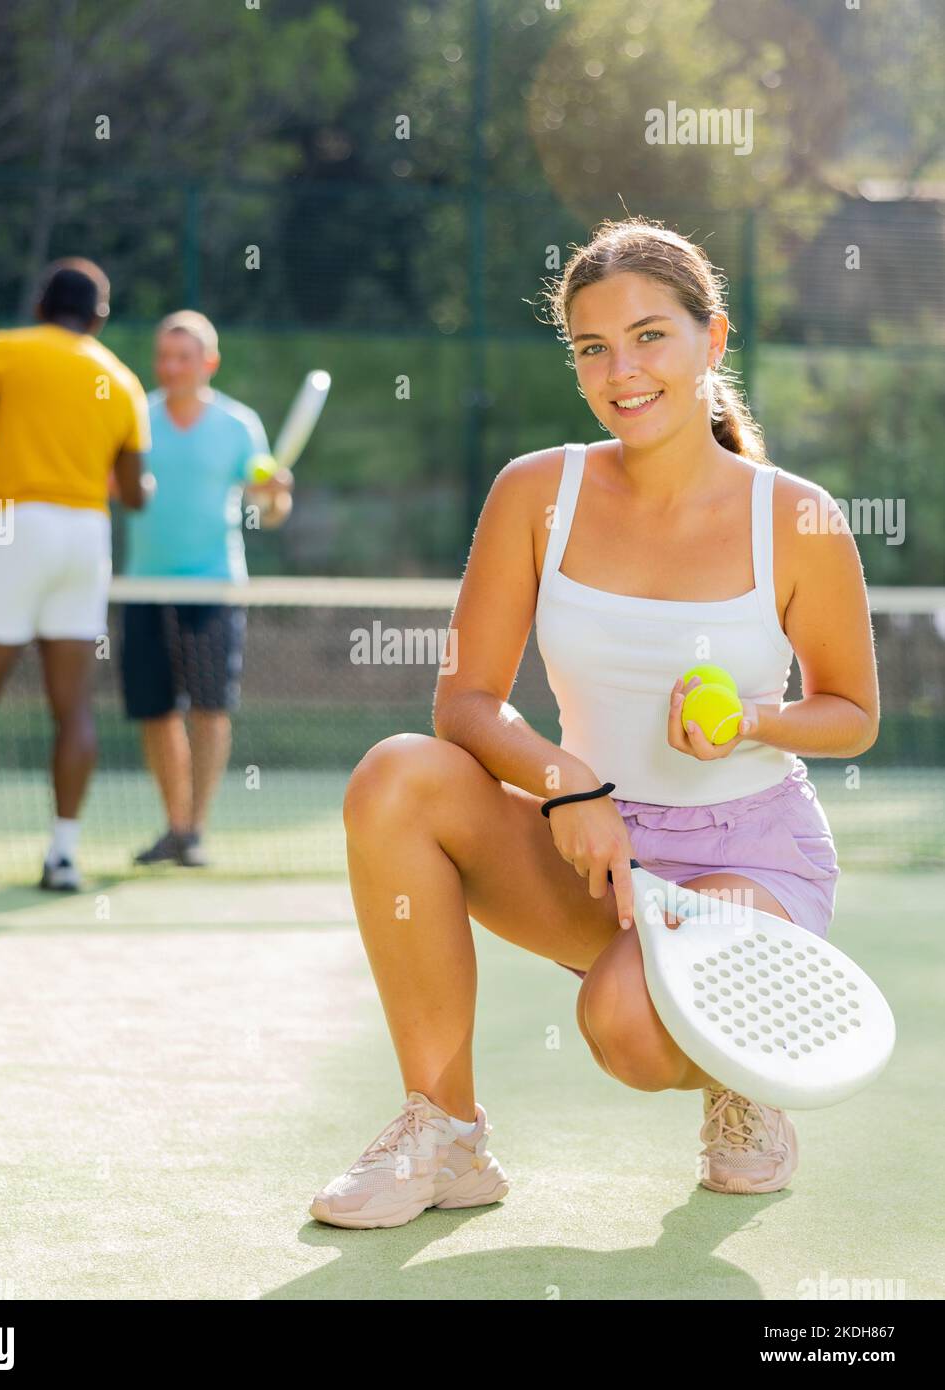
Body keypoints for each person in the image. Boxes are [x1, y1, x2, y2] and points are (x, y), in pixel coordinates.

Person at [309, 217, 879, 1228]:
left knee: (625, 1028)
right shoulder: (536, 491)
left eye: (650, 335)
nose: (622, 369)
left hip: (745, 864)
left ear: (712, 339)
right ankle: (444, 1133)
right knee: (395, 774)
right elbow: (465, 703)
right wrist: (564, 781)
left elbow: (850, 715)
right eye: (591, 347)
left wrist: (755, 720)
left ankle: (734, 1076)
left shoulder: (797, 516)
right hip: (590, 855)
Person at [0, 258, 150, 896]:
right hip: (85, 538)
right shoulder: (120, 379)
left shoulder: (4, 350)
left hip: (12, 526)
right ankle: (64, 858)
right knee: (73, 708)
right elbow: (136, 493)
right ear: (98, 316)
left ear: (41, 306)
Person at [120, 310, 293, 867]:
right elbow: (114, 486)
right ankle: (175, 826)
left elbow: (270, 511)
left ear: (208, 363)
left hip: (214, 587)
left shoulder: (239, 426)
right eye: (163, 357)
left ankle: (194, 828)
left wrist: (275, 492)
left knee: (210, 708)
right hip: (143, 588)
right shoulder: (136, 417)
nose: (171, 367)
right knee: (155, 711)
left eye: (183, 357)